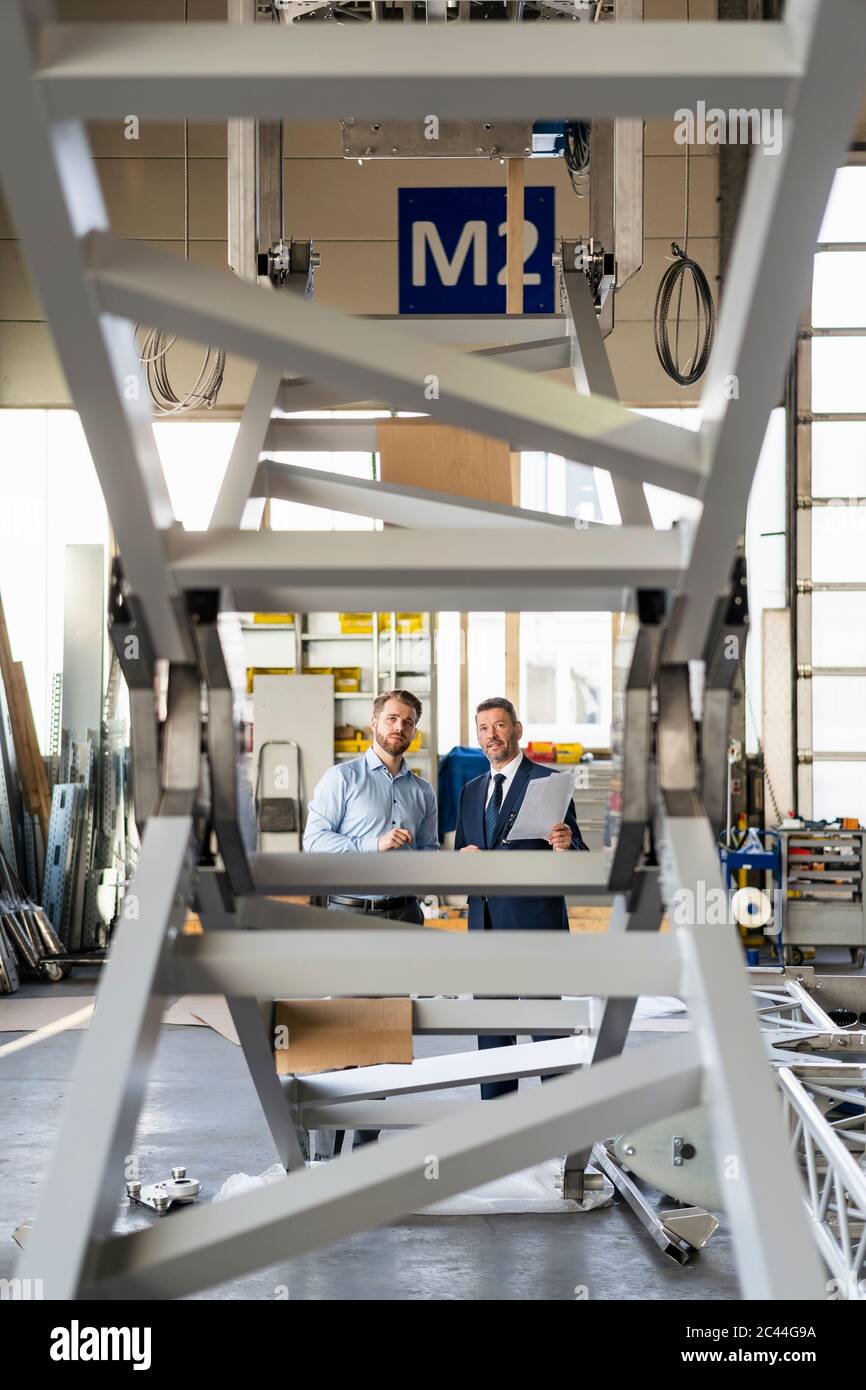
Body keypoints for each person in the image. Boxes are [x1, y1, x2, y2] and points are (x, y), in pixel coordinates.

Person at [304, 688, 438, 1147]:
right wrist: (372, 845)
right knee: (341, 1033)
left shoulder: (422, 791)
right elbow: (314, 843)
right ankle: (324, 1154)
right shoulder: (341, 779)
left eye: (408, 722)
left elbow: (431, 852)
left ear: (414, 731)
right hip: (349, 917)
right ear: (374, 723)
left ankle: (364, 1151)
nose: (399, 728)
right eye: (392, 719)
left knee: (384, 1039)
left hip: (402, 918)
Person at [454, 697, 588, 1100]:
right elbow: (462, 853)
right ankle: (499, 1125)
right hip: (486, 926)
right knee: (493, 1033)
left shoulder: (548, 782)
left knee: (548, 1031)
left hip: (535, 929)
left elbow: (578, 855)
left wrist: (565, 845)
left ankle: (562, 1126)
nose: (490, 735)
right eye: (482, 728)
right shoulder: (470, 791)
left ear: (517, 729)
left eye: (498, 725)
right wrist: (464, 860)